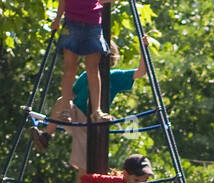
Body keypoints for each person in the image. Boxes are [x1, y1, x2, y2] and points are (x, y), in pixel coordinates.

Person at [32, 36, 149, 168]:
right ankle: (46, 136)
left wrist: (143, 49)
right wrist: (63, 110)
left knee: (84, 166)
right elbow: (71, 94)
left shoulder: (114, 76)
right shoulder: (86, 75)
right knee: (61, 101)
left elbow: (141, 72)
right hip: (76, 116)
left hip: (91, 121)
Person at [49, 0, 111, 124]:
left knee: (92, 69)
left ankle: (96, 111)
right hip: (72, 22)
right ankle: (65, 109)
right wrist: (58, 18)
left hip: (92, 23)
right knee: (69, 68)